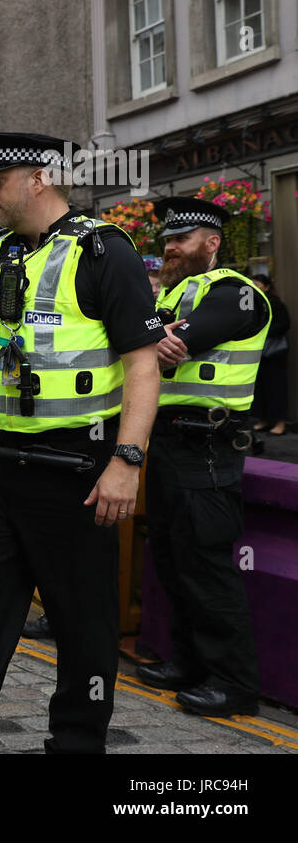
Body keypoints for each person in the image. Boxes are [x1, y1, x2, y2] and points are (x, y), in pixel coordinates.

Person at [0, 131, 162, 754]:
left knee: (82, 625)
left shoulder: (104, 250)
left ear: (41, 178)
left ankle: (76, 744)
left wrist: (127, 461)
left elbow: (143, 363)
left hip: (74, 471)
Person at [138, 197, 272, 718]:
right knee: (172, 558)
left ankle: (234, 684)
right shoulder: (172, 296)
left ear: (211, 243)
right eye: (167, 239)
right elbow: (132, 340)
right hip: (169, 440)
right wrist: (156, 337)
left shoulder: (235, 292)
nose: (170, 247)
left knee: (207, 563)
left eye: (182, 238)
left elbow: (195, 335)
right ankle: (189, 662)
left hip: (210, 444)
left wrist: (160, 338)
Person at [250, 273, 288, 435]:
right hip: (258, 353)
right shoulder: (253, 303)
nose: (255, 288)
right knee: (260, 389)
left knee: (276, 388)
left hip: (274, 353)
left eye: (258, 285)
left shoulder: (275, 302)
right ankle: (263, 420)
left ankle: (280, 423)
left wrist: (263, 333)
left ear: (267, 287)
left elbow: (285, 324)